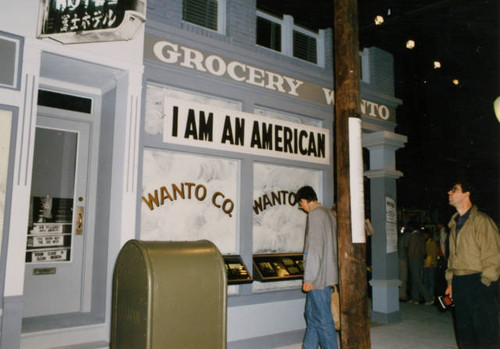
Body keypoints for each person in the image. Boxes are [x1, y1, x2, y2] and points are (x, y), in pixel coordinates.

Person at [445, 180, 500, 348]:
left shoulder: (482, 221)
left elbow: (493, 255)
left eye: (454, 189)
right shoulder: (454, 224)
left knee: (485, 331)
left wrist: (485, 283)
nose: (449, 192)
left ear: (467, 194)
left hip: (478, 281)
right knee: (464, 331)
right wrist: (450, 282)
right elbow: (452, 258)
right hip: (459, 282)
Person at [296, 186, 338, 349]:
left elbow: (314, 249)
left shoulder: (314, 215)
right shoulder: (329, 214)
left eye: (301, 205)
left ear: (304, 201)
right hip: (327, 275)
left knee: (323, 321)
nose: (302, 208)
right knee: (311, 316)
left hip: (317, 279)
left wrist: (309, 278)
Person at [408, 224, 433, 305]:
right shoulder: (421, 237)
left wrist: (409, 258)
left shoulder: (413, 237)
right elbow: (424, 250)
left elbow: (411, 251)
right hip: (420, 259)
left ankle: (428, 298)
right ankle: (415, 298)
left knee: (416, 280)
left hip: (414, 260)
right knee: (416, 279)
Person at [423, 228, 438, 301]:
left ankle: (431, 295)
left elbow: (434, 254)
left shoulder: (432, 242)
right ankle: (427, 295)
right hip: (426, 263)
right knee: (426, 280)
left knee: (430, 280)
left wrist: (432, 263)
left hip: (430, 264)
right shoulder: (425, 242)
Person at [398, 226, 411, 301]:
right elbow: (406, 247)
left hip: (400, 257)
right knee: (403, 277)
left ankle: (400, 294)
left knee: (400, 276)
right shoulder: (408, 235)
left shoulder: (402, 236)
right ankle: (402, 295)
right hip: (403, 258)